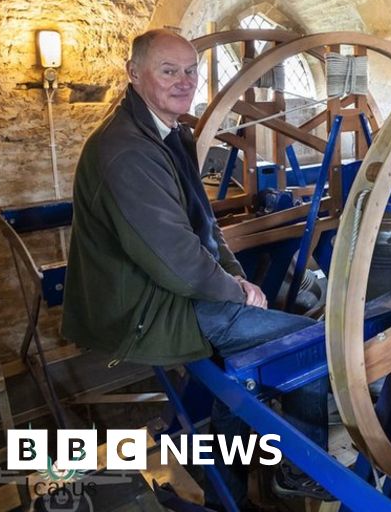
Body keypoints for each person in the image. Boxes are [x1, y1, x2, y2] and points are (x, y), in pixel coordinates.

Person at [63, 29, 331, 508]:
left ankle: (228, 491)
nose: (184, 81)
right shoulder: (126, 150)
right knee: (308, 344)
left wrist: (236, 277)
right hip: (144, 307)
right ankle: (297, 468)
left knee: (245, 363)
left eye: (190, 71)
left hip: (165, 291)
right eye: (168, 71)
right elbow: (175, 259)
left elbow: (203, 225)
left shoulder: (169, 133)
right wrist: (234, 292)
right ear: (133, 73)